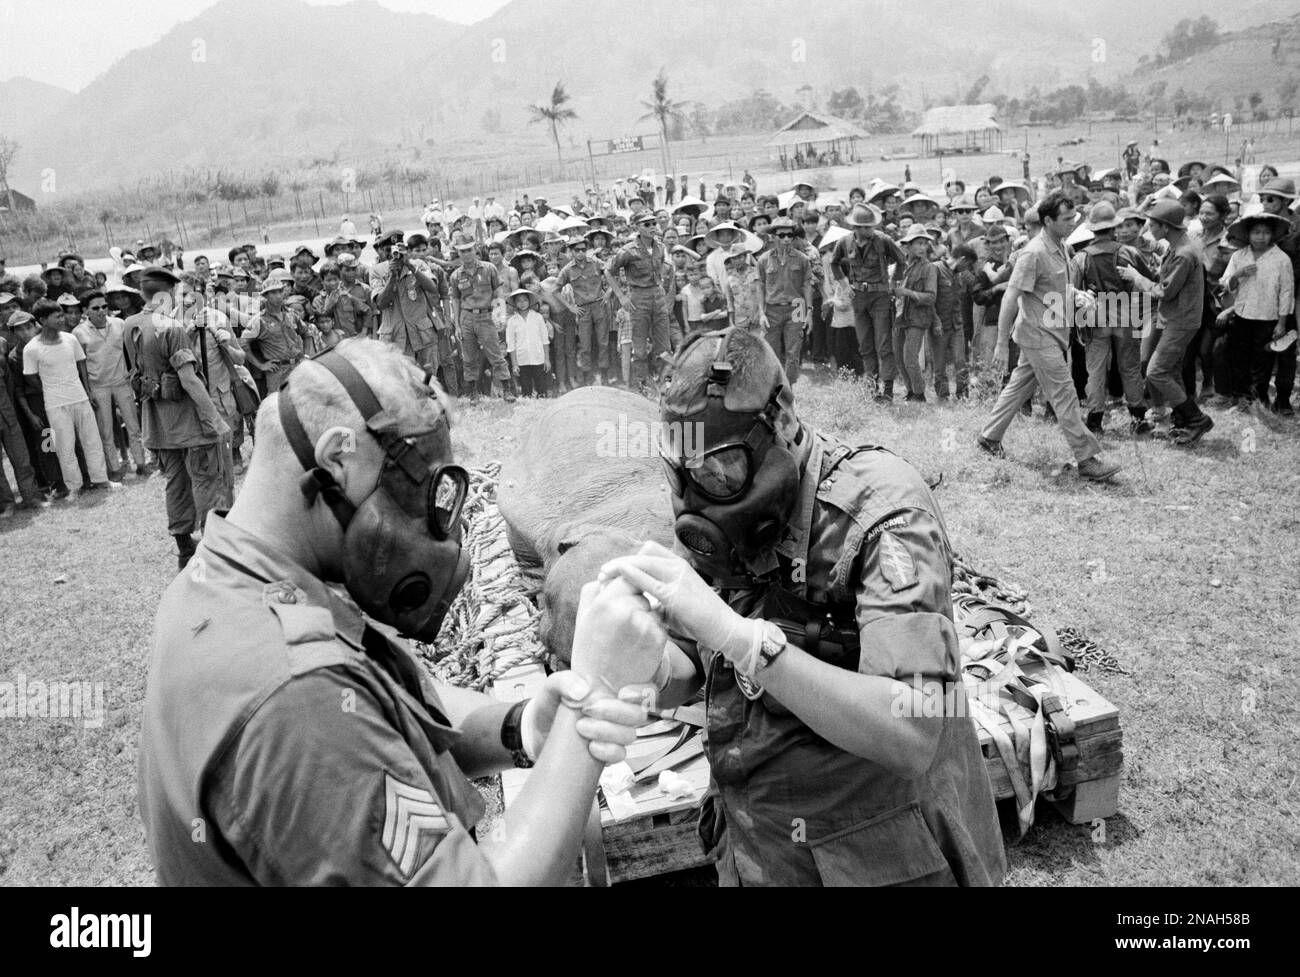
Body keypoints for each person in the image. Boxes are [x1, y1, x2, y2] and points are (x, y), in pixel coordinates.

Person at [137, 338, 666, 884]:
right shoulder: (297, 698)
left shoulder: (220, 579)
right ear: (337, 458)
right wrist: (591, 713)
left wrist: (523, 727)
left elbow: (388, 713)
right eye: (415, 489)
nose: (429, 526)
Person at [599, 326, 1006, 887]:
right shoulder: (715, 509)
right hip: (757, 840)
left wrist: (744, 639)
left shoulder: (881, 513)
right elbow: (691, 664)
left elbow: (913, 733)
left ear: (782, 421)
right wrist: (642, 664)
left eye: (722, 465)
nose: (703, 488)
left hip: (877, 853)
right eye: (686, 468)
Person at [977, 192, 1122, 480]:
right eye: (1066, 219)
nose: (1073, 223)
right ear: (1048, 220)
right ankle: (1087, 459)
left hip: (1053, 333)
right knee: (1066, 395)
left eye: (1073, 218)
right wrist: (1001, 344)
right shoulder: (1034, 253)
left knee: (1018, 388)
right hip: (1038, 335)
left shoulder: (1061, 246)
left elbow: (1053, 287)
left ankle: (988, 438)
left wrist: (1077, 295)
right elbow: (1011, 296)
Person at [125, 267, 231, 568]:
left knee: (175, 482)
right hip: (187, 420)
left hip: (156, 421)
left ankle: (185, 547)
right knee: (206, 478)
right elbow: (190, 379)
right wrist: (215, 420)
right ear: (167, 293)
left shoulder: (130, 324)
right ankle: (214, 546)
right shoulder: (170, 328)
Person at [1120, 200, 1216, 445]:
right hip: (1173, 317)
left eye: (1152, 224)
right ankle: (1182, 419)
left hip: (1180, 320)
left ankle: (1196, 419)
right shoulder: (1178, 245)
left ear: (1165, 227)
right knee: (1171, 370)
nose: (1149, 227)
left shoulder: (1183, 254)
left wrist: (1137, 277)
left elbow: (1165, 291)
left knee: (1156, 372)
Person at [22, 299, 120, 500]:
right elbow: (30, 377)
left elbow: (81, 363)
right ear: (42, 320)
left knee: (92, 440)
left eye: (61, 315)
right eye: (57, 316)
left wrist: (86, 390)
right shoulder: (31, 349)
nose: (62, 319)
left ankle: (101, 479)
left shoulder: (70, 339)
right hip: (56, 404)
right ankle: (74, 487)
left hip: (80, 397)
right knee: (65, 446)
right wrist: (51, 390)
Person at [1076, 202, 1152, 435]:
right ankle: (1138, 419)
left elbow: (1074, 290)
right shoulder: (1129, 252)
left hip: (1094, 313)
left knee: (1096, 369)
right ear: (1114, 227)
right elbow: (1146, 279)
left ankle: (1095, 420)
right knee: (1129, 367)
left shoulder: (1081, 257)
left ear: (1092, 229)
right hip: (1125, 312)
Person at [1216, 210, 1294, 408]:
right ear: (1248, 235)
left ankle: (1259, 399)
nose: (1261, 237)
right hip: (1242, 314)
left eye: (1265, 233)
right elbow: (1226, 284)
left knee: (1263, 361)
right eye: (1256, 232)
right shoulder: (1239, 256)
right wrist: (1238, 274)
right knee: (1239, 358)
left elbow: (1286, 292)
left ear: (1273, 235)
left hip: (1268, 317)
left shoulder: (1281, 259)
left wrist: (1282, 323)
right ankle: (1242, 398)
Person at [830, 204, 906, 403]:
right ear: (855, 227)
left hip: (880, 296)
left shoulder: (883, 240)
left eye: (870, 227)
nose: (868, 231)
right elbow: (834, 263)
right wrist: (845, 285)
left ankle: (888, 388)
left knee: (883, 344)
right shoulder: (845, 242)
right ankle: (871, 387)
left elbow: (901, 260)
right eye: (863, 227)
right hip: (859, 298)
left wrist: (893, 282)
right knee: (865, 344)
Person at [72, 289, 147, 479]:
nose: (101, 311)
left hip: (121, 382)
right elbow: (80, 366)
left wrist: (133, 372)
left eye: (104, 306)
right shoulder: (78, 333)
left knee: (133, 426)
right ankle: (115, 469)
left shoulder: (119, 324)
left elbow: (130, 350)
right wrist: (87, 391)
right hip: (98, 386)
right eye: (95, 308)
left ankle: (141, 464)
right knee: (105, 431)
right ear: (85, 311)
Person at [606, 211, 672, 389]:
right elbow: (608, 272)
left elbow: (663, 268)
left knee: (664, 344)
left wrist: (662, 289)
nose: (652, 227)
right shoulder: (628, 250)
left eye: (653, 223)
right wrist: (621, 296)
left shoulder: (660, 246)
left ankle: (665, 382)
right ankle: (642, 384)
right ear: (637, 227)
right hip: (638, 297)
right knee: (640, 346)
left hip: (657, 296)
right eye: (646, 224)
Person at [450, 241, 515, 402]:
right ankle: (473, 392)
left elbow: (498, 291)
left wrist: (500, 314)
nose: (466, 254)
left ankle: (507, 389)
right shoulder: (456, 275)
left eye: (469, 250)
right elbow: (456, 300)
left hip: (486, 315)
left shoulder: (489, 269)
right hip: (467, 316)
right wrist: (457, 325)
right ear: (458, 253)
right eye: (462, 251)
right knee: (469, 357)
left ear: (475, 250)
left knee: (495, 354)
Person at [756, 217, 814, 382]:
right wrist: (761, 313)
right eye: (782, 235)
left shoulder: (802, 259)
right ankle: (774, 385)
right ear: (773, 237)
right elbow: (759, 286)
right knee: (771, 351)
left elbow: (807, 285)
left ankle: (788, 388)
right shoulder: (764, 260)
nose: (787, 239)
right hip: (772, 308)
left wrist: (809, 312)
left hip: (796, 307)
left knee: (793, 352)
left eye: (790, 235)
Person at [372, 236, 442, 373]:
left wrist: (410, 266)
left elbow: (433, 288)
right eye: (389, 250)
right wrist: (392, 277)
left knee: (429, 376)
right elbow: (380, 303)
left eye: (397, 250)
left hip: (422, 334)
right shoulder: (376, 271)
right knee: (401, 379)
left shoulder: (418, 264)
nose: (393, 254)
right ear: (381, 251)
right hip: (395, 338)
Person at [0, 317, 48, 516]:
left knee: (22, 459)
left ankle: (31, 497)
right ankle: (6, 503)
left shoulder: (0, 343)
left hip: (8, 413)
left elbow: (10, 383)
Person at [892, 225, 938, 402]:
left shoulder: (929, 268)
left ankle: (919, 394)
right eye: (918, 243)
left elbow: (931, 297)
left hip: (917, 317)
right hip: (899, 315)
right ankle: (910, 391)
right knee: (899, 358)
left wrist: (908, 293)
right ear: (908, 246)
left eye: (924, 244)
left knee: (910, 357)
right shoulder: (901, 266)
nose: (922, 247)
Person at [557, 236, 609, 384]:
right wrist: (570, 307)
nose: (580, 253)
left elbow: (612, 273)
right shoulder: (567, 270)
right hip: (583, 309)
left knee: (603, 343)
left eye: (583, 249)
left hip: (599, 305)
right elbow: (555, 290)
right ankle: (587, 378)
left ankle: (604, 376)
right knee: (585, 345)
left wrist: (609, 292)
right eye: (577, 250)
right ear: (571, 252)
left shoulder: (596, 263)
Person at [504, 289, 551, 397]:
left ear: (529, 301)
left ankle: (542, 402)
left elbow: (545, 340)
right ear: (515, 303)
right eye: (519, 301)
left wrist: (547, 359)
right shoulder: (512, 321)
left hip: (538, 358)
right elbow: (511, 345)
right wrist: (515, 364)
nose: (522, 303)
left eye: (525, 300)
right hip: (522, 360)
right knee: (526, 392)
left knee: (541, 390)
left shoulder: (537, 317)